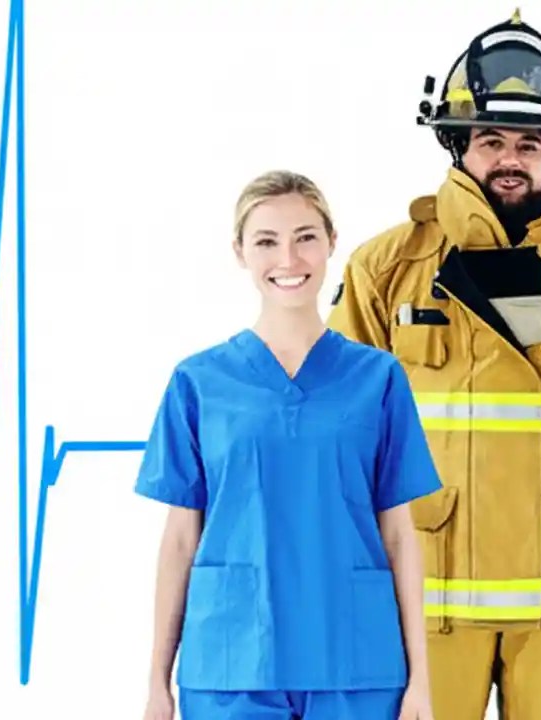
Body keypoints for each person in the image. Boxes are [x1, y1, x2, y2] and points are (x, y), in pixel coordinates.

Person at [325, 10, 541, 720]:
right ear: (455, 143)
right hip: (428, 595)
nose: (509, 158)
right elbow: (340, 439)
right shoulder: (386, 267)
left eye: (530, 143)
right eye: (490, 139)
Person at [135, 170, 442, 720]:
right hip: (233, 665)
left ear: (330, 243)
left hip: (355, 664)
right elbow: (180, 540)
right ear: (240, 253)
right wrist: (157, 683)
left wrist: (420, 679)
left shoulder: (378, 378)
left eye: (305, 237)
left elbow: (400, 534)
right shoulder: (199, 382)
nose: (289, 258)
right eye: (267, 241)